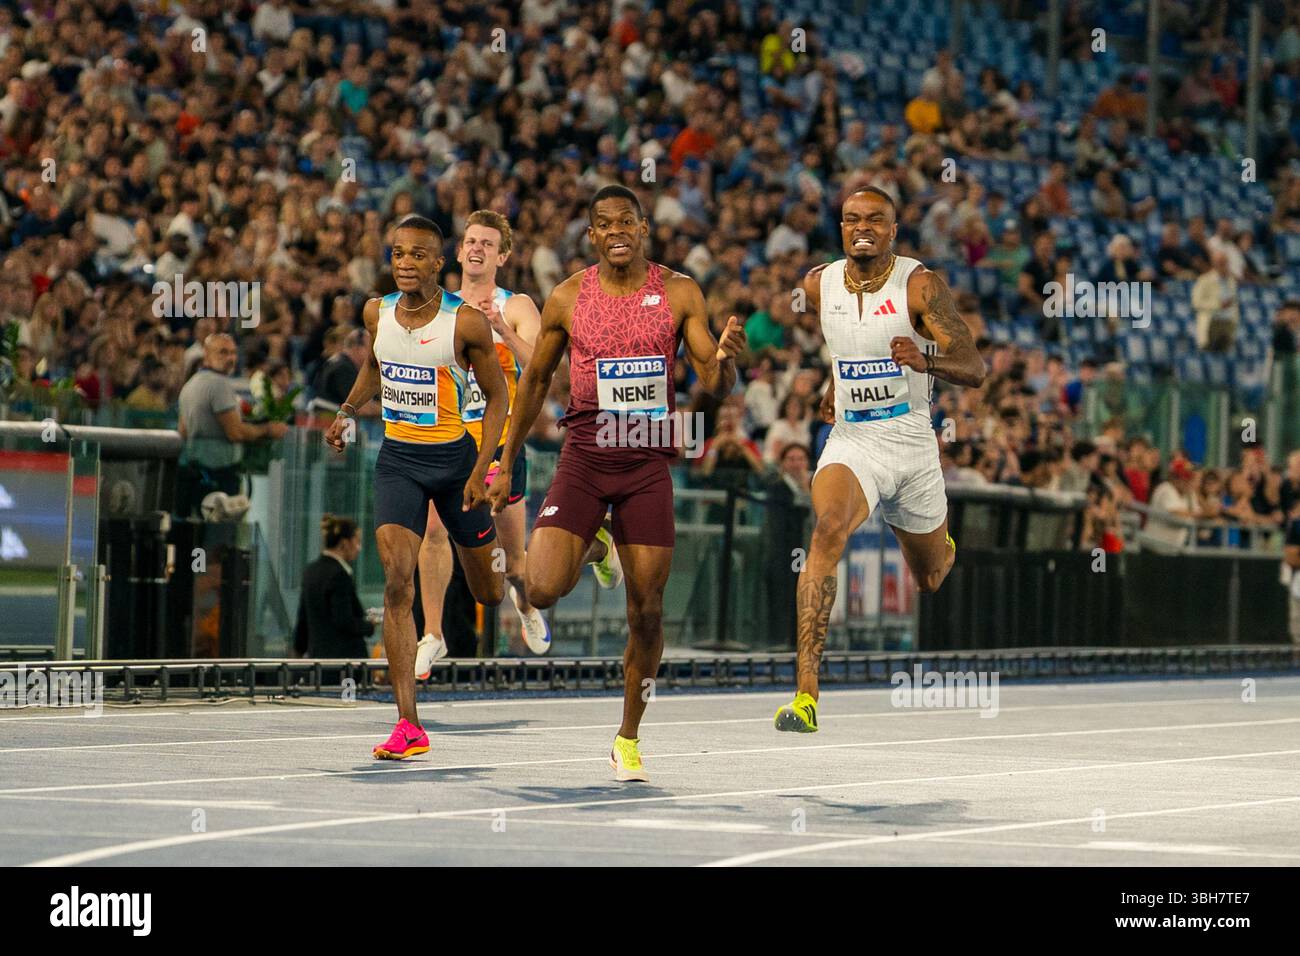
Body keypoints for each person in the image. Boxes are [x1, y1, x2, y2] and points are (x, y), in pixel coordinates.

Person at [486, 185, 746, 782]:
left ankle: (628, 736)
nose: (617, 231)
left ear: (643, 226)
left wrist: (726, 359)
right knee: (544, 588)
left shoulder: (679, 291)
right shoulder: (567, 297)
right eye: (604, 224)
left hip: (645, 465)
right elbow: (534, 384)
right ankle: (597, 545)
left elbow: (713, 375)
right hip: (585, 455)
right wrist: (506, 459)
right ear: (593, 235)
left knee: (647, 611)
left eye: (626, 220)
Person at [774, 187, 986, 733]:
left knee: (931, 577)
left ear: (893, 229)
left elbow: (974, 364)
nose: (861, 227)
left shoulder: (919, 284)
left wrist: (927, 356)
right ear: (840, 227)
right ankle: (806, 694)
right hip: (853, 440)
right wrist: (831, 382)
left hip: (912, 444)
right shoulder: (817, 285)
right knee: (826, 531)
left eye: (874, 219)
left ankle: (940, 547)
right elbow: (849, 346)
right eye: (851, 219)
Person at [323, 215, 508, 761]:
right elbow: (379, 366)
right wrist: (347, 411)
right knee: (397, 585)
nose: (404, 262)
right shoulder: (376, 312)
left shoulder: (466, 323)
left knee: (488, 592)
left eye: (417, 255)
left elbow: (497, 398)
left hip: (457, 465)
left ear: (437, 263)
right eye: (397, 253)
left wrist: (483, 469)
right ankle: (409, 724)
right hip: (399, 461)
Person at [415, 210, 547, 669]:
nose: (476, 249)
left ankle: (526, 603)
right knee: (432, 531)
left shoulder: (517, 305)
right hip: (450, 441)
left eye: (487, 244)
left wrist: (502, 330)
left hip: (502, 445)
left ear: (502, 255)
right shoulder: (441, 306)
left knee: (513, 561)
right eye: (471, 241)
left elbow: (543, 367)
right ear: (458, 250)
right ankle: (433, 633)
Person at [176, 332, 287, 518]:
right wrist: (267, 429)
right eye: (223, 352)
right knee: (222, 537)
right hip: (219, 476)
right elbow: (235, 432)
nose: (230, 358)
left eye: (233, 353)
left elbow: (183, 431)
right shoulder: (219, 384)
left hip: (195, 475)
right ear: (206, 355)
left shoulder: (190, 384)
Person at [294, 514, 373, 659]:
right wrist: (369, 626)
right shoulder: (339, 575)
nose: (359, 548)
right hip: (343, 659)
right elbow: (344, 620)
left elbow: (303, 620)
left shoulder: (310, 571)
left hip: (318, 657)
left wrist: (298, 651)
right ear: (344, 543)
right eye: (357, 542)